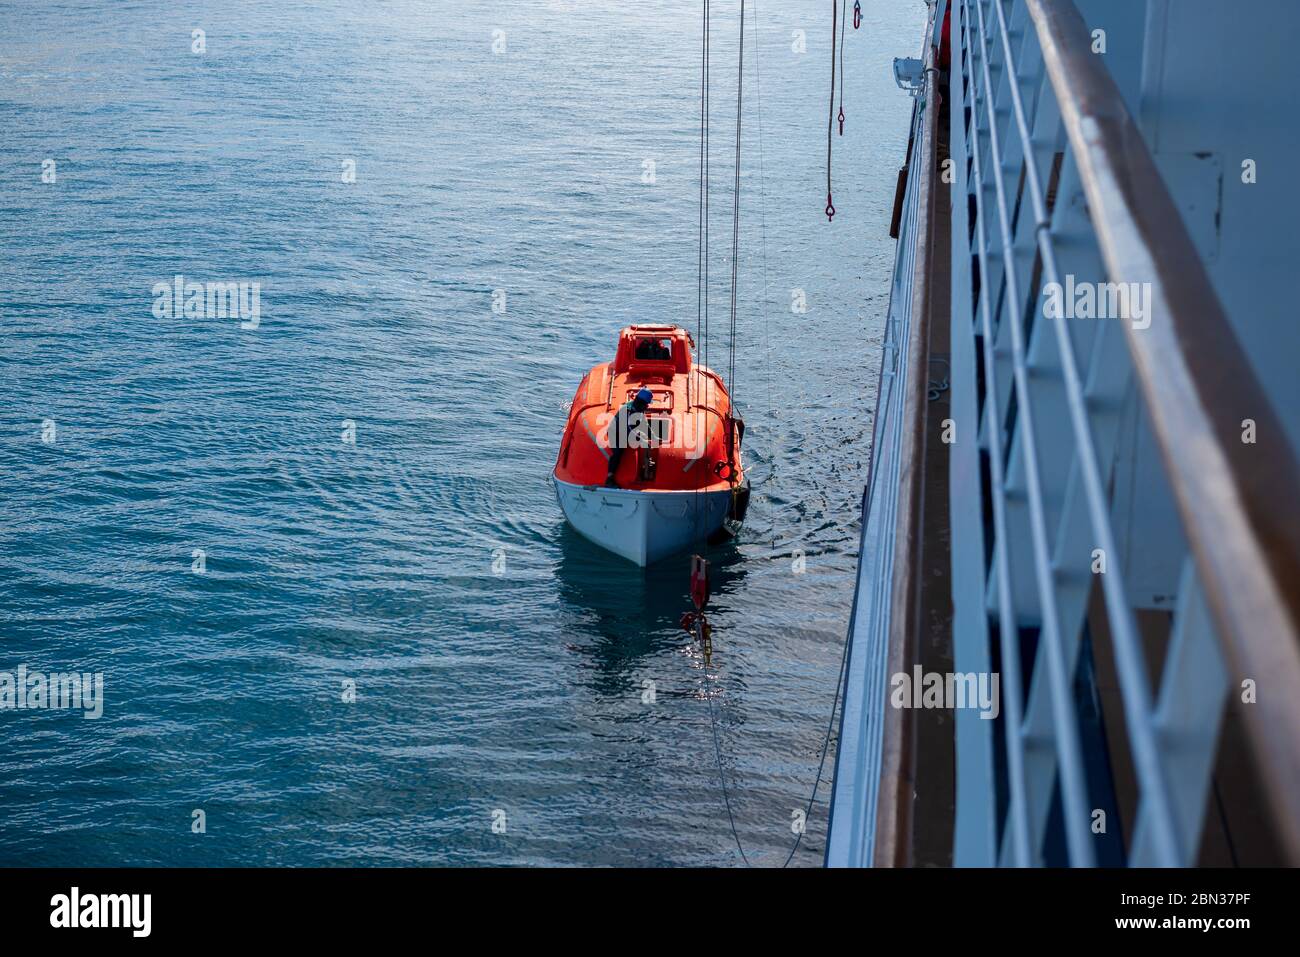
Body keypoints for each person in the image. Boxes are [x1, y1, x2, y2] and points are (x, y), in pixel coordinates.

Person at [605, 388, 653, 488]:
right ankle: (609, 478)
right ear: (641, 402)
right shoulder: (626, 410)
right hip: (616, 434)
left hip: (627, 431)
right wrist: (641, 440)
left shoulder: (639, 409)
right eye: (646, 404)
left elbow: (644, 423)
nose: (647, 406)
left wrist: (653, 435)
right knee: (618, 451)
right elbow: (628, 430)